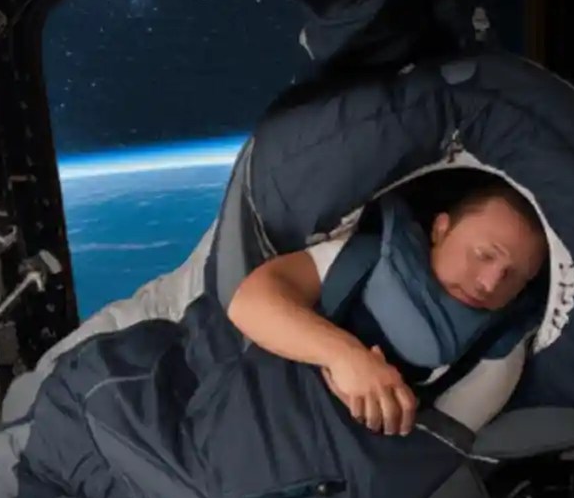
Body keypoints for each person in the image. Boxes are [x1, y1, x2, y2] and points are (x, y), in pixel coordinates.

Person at [228, 178, 549, 436]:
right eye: (484, 255)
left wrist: (383, 414)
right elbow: (249, 303)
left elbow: (440, 455)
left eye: (515, 277)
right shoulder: (365, 258)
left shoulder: (499, 347)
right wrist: (346, 358)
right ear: (440, 228)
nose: (490, 284)